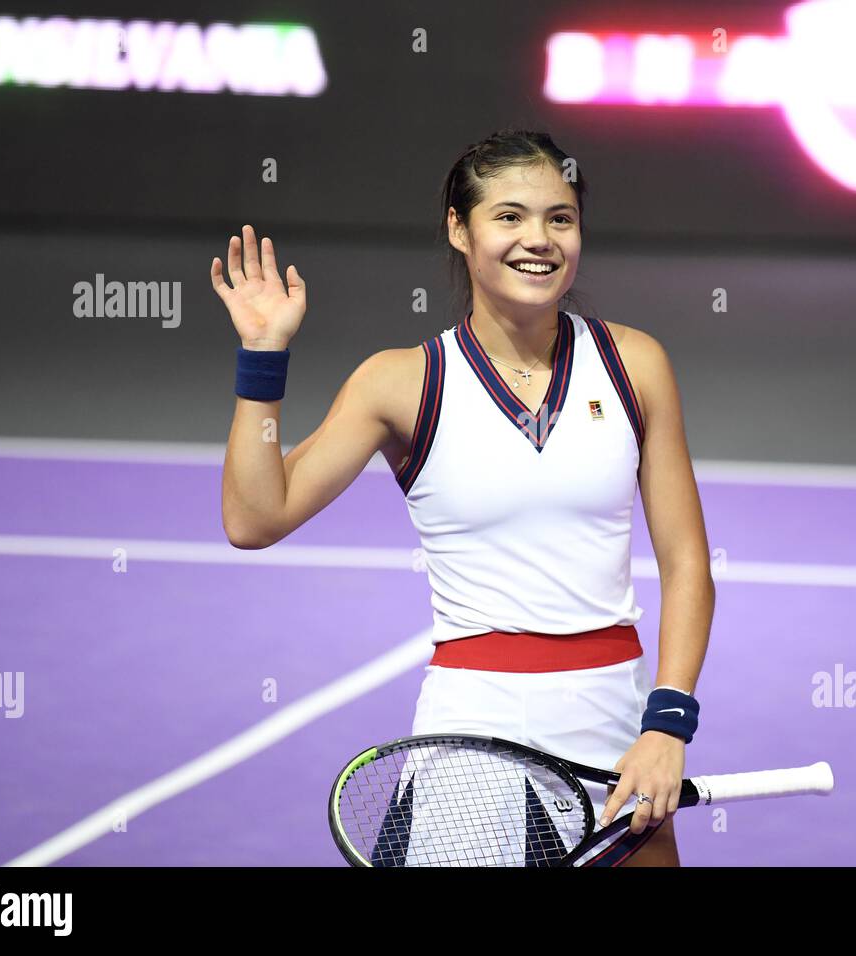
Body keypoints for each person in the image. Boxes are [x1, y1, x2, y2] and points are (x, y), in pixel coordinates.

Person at [214, 129, 715, 866]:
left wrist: (667, 724)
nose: (538, 240)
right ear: (459, 227)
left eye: (560, 218)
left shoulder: (635, 364)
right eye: (508, 217)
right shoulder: (401, 382)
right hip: (473, 734)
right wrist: (263, 358)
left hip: (619, 727)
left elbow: (686, 561)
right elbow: (255, 518)